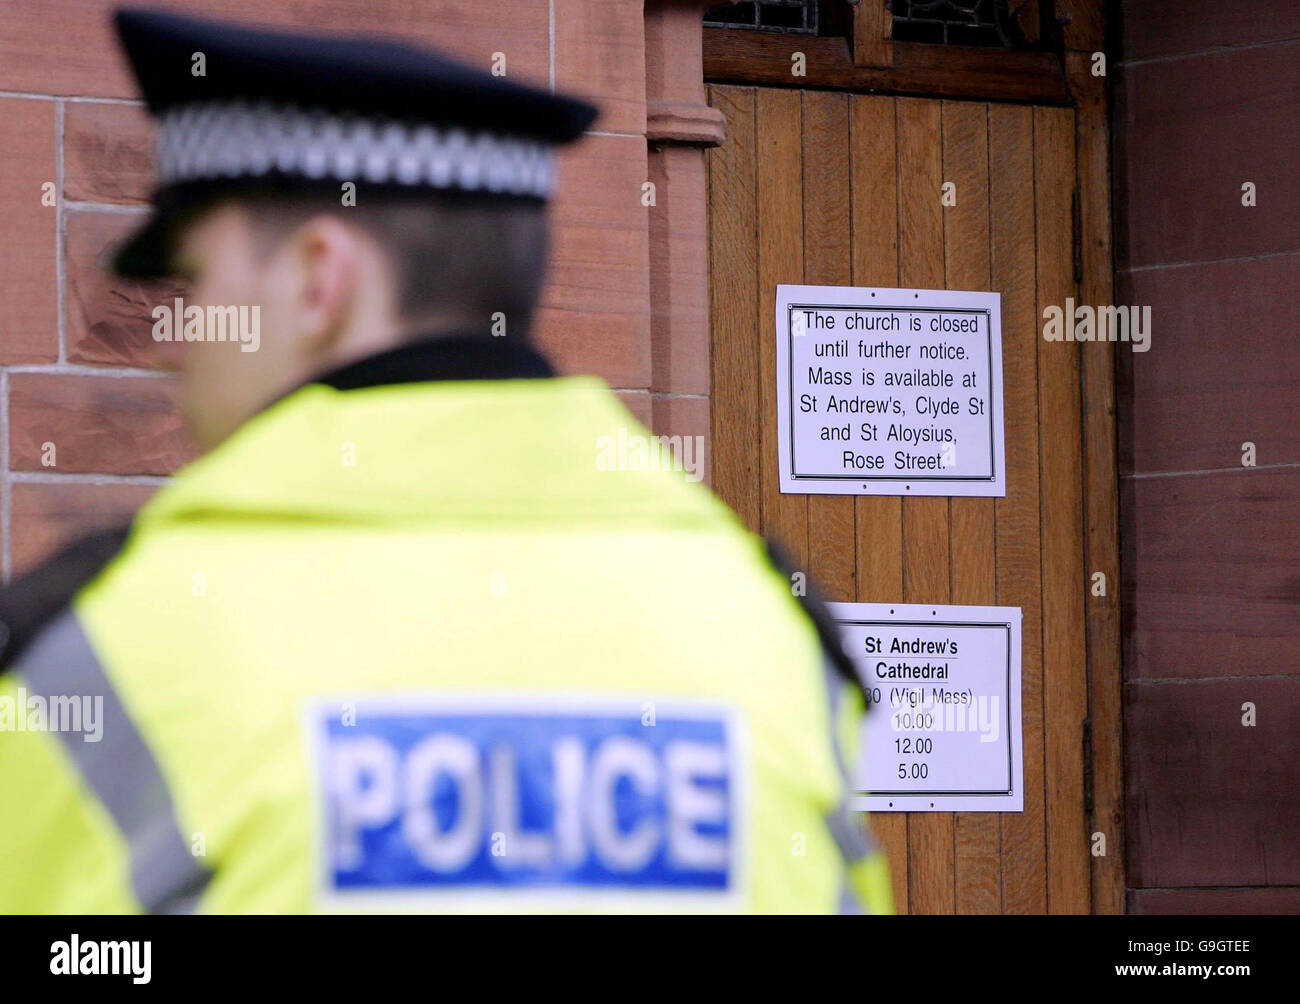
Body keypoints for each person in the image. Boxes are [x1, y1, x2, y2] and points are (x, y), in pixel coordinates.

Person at [0, 7, 892, 914]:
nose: (171, 342)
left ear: (319, 278)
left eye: (194, 282)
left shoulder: (102, 652)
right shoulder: (768, 633)